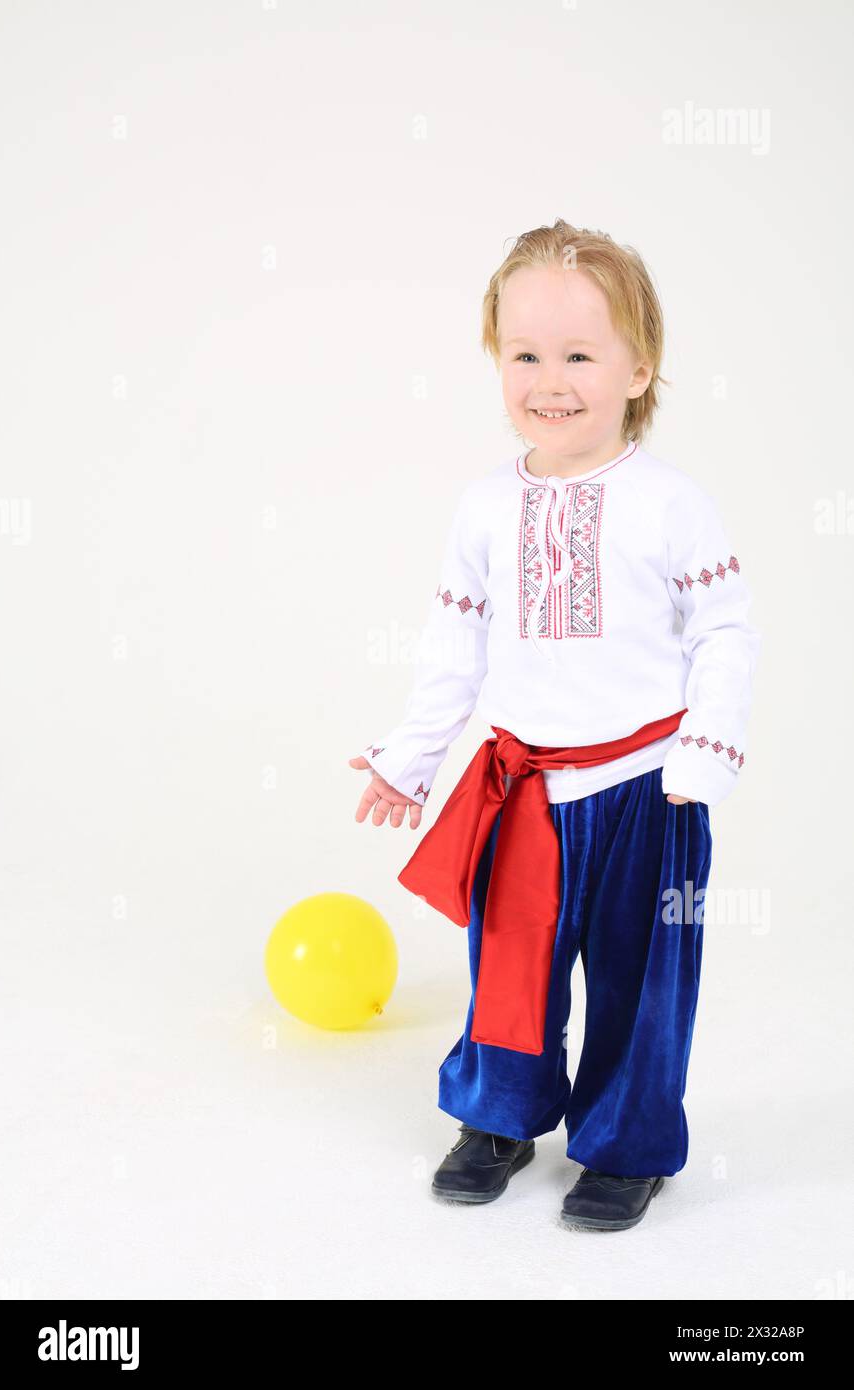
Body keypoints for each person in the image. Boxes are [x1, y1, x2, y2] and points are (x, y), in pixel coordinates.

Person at [348, 218, 761, 1232]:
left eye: (579, 353)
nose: (550, 378)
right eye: (524, 353)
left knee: (639, 977)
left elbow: (723, 631)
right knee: (511, 964)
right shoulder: (485, 508)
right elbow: (454, 647)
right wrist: (410, 760)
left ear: (638, 365)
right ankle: (496, 1116)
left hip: (645, 793)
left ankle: (624, 1144)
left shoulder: (668, 504)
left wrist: (702, 755)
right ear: (496, 360)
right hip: (521, 789)